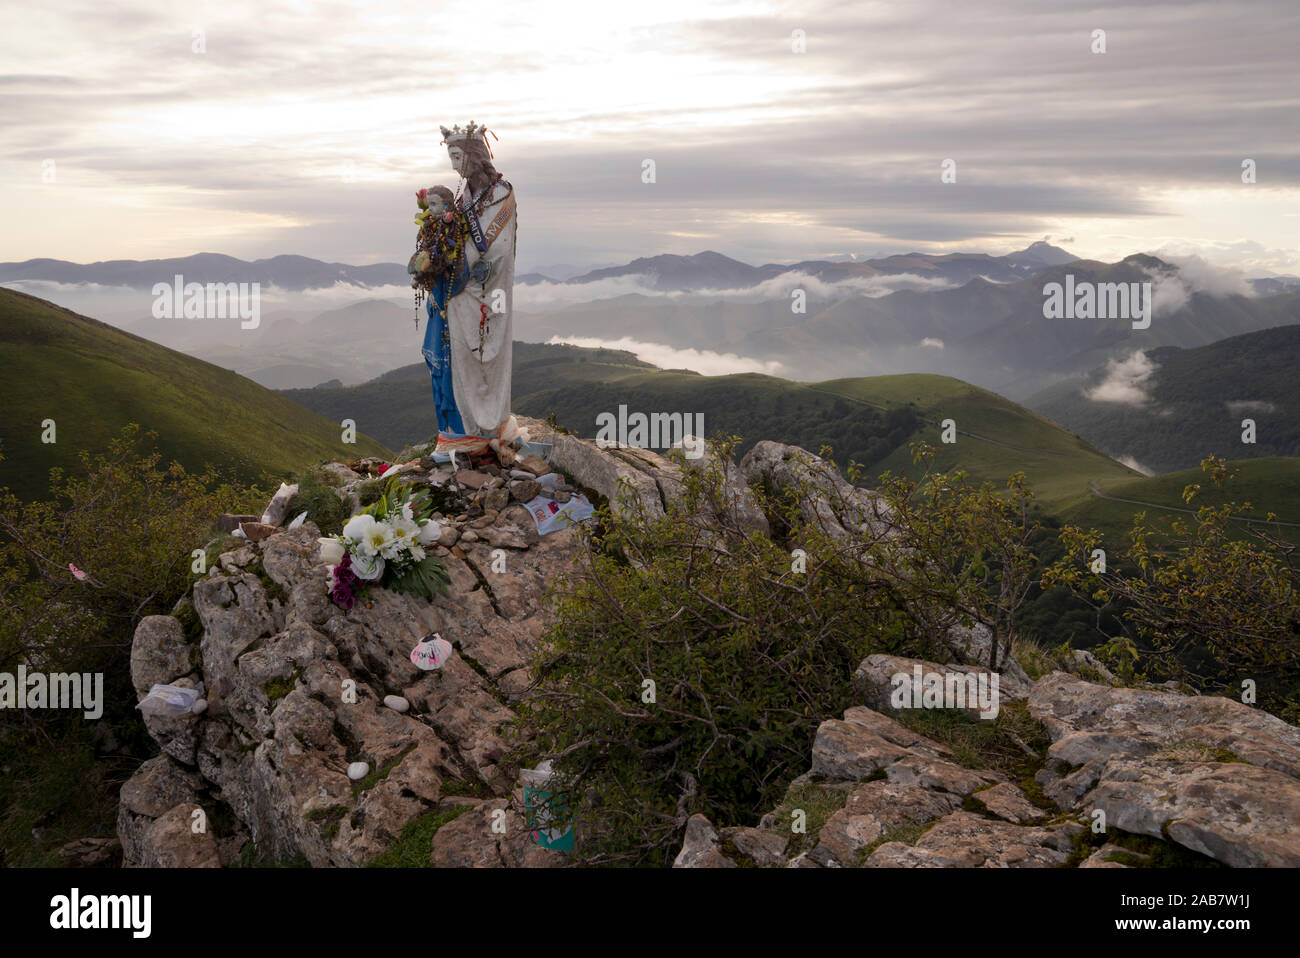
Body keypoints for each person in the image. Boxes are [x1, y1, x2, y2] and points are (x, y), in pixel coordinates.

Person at [436, 122, 519, 460]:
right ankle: (470, 428)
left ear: (474, 155)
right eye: (451, 158)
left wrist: (462, 258)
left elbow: (498, 246)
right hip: (463, 292)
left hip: (490, 290)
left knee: (490, 354)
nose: (454, 166)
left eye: (458, 157)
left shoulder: (501, 194)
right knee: (466, 356)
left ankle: (491, 425)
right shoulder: (464, 197)